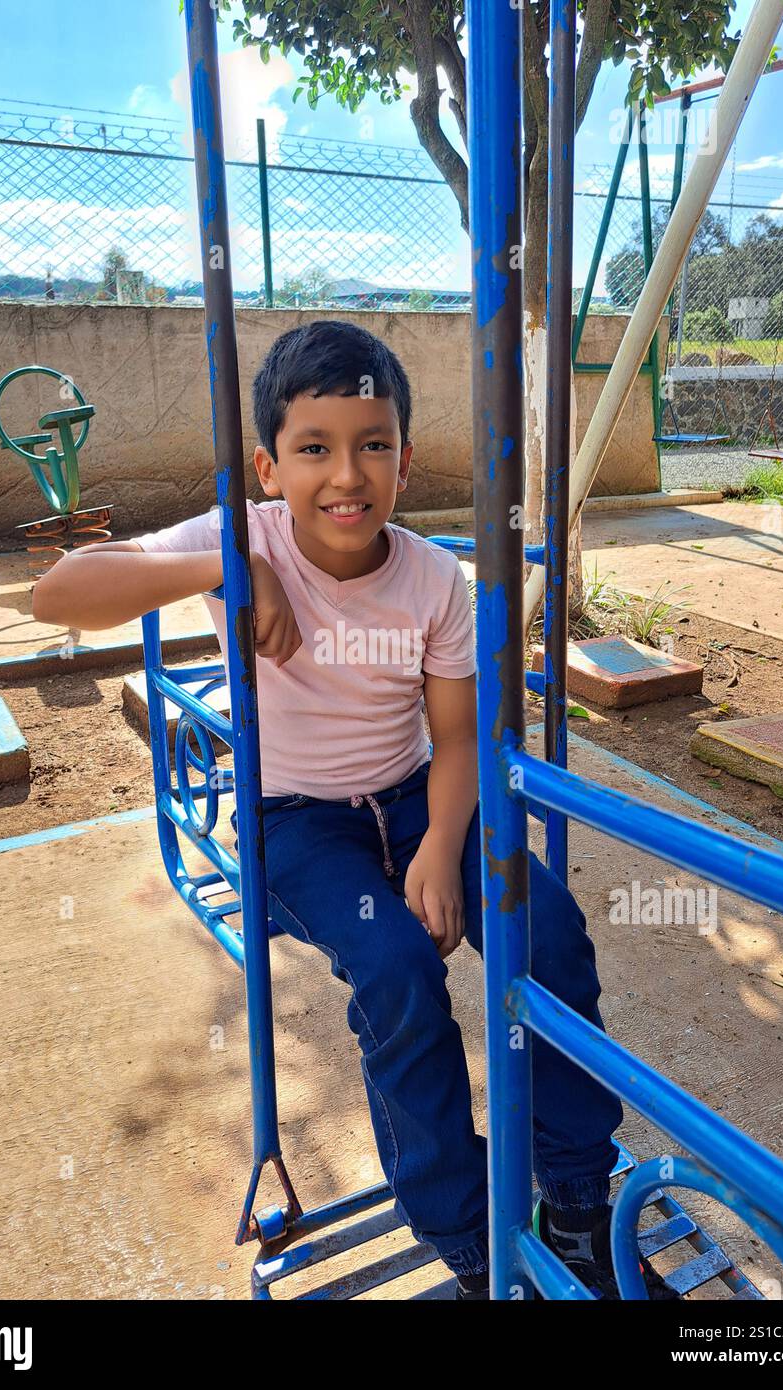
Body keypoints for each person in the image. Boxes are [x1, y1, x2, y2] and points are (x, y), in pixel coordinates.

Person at [33, 319, 675, 1301]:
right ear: (268, 465)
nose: (346, 475)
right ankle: (469, 1242)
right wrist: (222, 572)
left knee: (545, 925)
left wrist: (440, 845)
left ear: (405, 460)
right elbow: (58, 592)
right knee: (397, 968)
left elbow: (458, 738)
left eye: (373, 443)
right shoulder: (241, 536)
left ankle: (580, 1204)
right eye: (314, 449)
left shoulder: (429, 577)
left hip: (418, 799)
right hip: (299, 822)